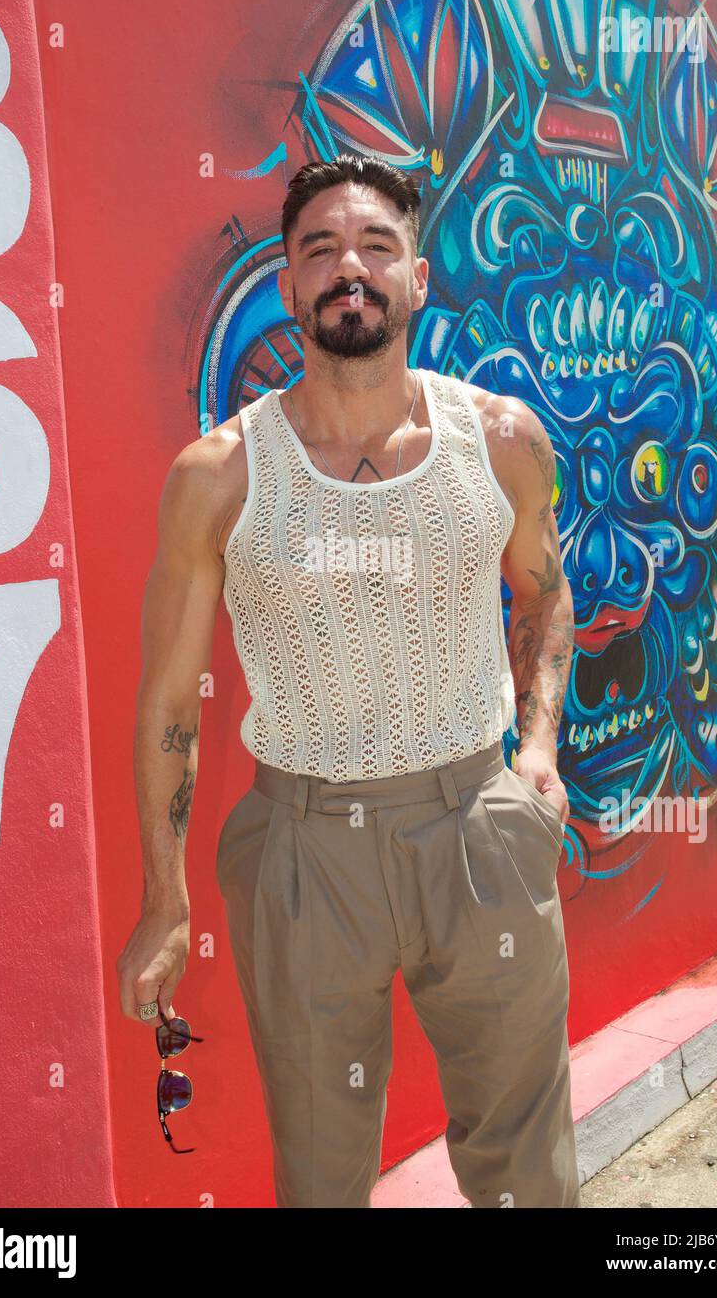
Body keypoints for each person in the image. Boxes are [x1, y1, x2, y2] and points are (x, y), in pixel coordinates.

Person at [117, 153, 580, 1208]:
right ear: (287, 285)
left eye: (376, 245)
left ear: (417, 277)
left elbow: (545, 593)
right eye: (317, 248)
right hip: (301, 854)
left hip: (477, 830)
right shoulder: (219, 476)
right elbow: (165, 703)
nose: (348, 267)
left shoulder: (500, 441)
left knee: (527, 1169)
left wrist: (539, 751)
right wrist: (163, 896)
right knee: (320, 1177)